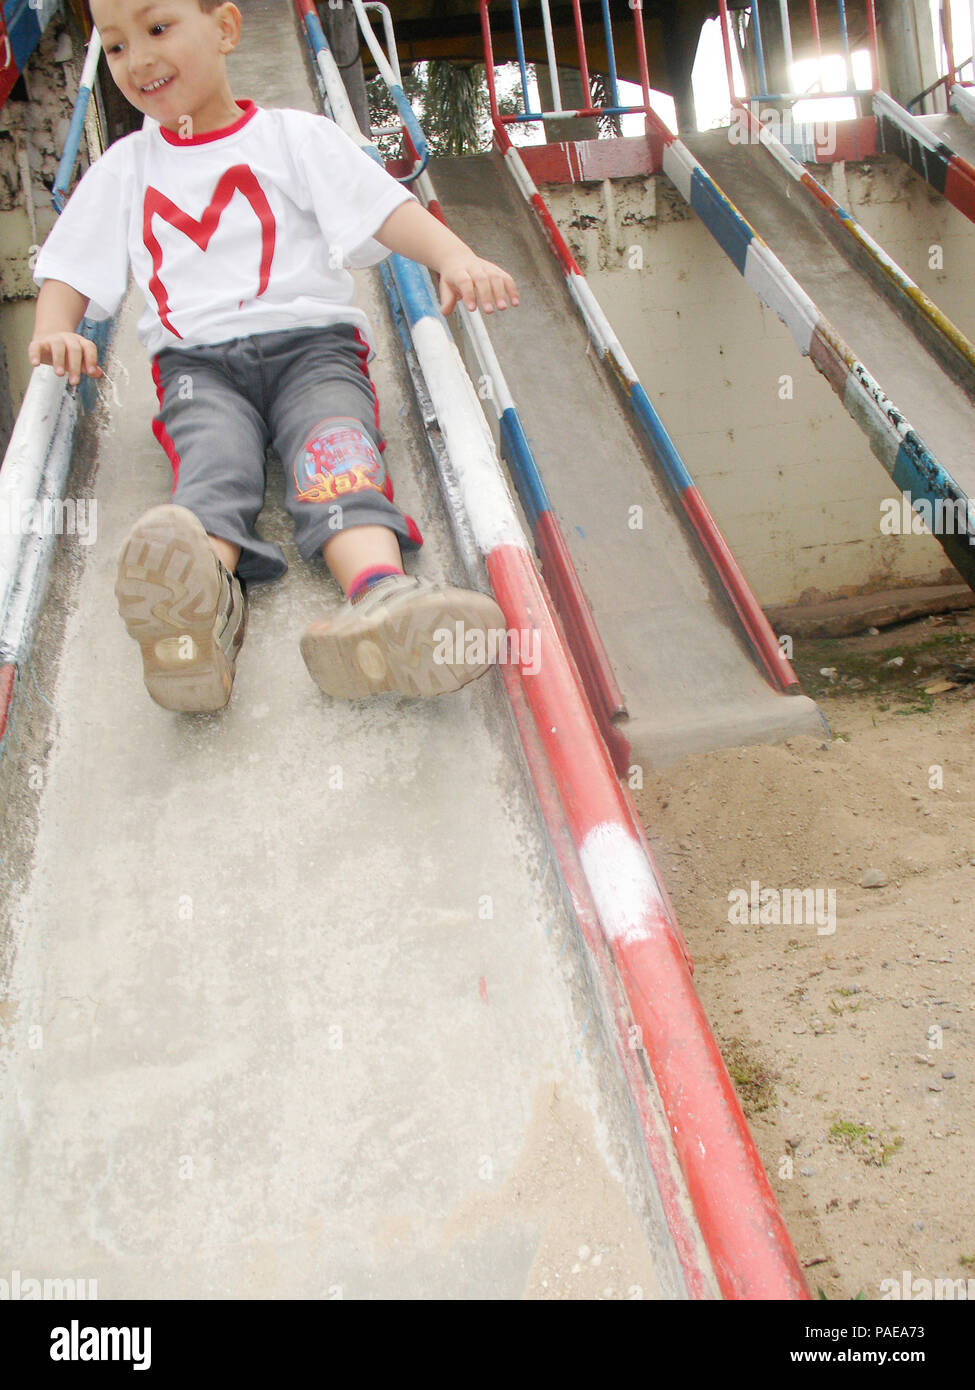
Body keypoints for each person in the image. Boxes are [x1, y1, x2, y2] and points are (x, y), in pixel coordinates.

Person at [28, 0, 521, 712]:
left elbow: (382, 208)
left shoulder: (294, 138)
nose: (136, 60)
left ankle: (380, 601)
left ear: (225, 29)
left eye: (157, 30)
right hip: (197, 368)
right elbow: (71, 267)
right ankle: (197, 610)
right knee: (212, 470)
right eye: (113, 48)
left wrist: (454, 256)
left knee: (334, 454)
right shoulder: (125, 168)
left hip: (312, 352)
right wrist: (57, 329)